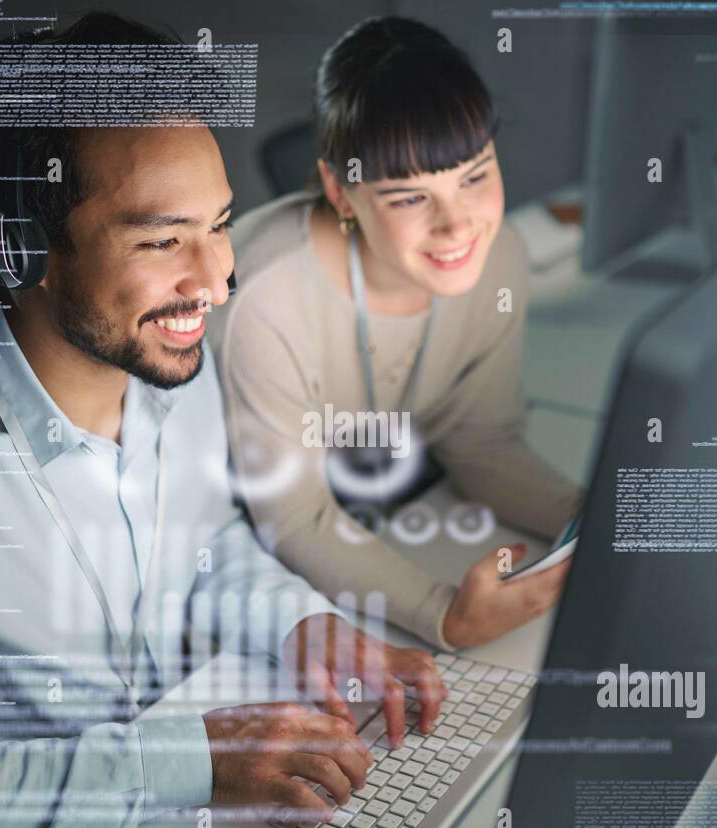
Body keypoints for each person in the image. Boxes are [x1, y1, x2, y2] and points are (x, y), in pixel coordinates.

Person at [0, 12, 444, 828]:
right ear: (18, 247)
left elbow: (205, 542)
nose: (216, 279)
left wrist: (308, 628)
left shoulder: (166, 359)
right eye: (160, 240)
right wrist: (189, 761)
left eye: (219, 224)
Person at [214, 17, 585, 651]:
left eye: (475, 175)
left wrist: (592, 521)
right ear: (342, 191)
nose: (458, 226)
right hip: (230, 546)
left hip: (370, 506)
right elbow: (296, 516)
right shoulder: (267, 302)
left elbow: (479, 440)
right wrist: (443, 615)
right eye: (410, 198)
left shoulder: (500, 260)